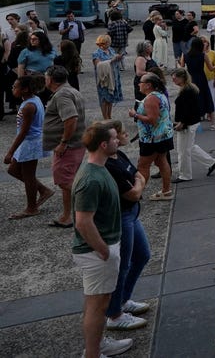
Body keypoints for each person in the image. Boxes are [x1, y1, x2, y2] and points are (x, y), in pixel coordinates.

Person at [72, 122, 132, 358]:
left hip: (101, 248)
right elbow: (83, 222)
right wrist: (104, 250)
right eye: (115, 139)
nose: (119, 141)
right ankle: (93, 353)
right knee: (98, 306)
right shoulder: (91, 179)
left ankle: (97, 345)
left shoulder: (99, 168)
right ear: (104, 145)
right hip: (97, 252)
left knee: (98, 302)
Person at [101, 120, 152, 332]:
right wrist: (138, 184)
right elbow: (134, 191)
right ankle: (114, 314)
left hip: (132, 214)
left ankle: (122, 299)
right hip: (122, 217)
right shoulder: (109, 165)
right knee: (122, 266)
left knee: (142, 255)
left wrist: (137, 182)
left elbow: (139, 175)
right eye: (118, 135)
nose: (123, 136)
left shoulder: (118, 156)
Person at [45, 65, 88, 227]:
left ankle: (87, 208)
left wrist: (63, 142)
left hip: (69, 146)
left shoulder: (62, 95)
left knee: (64, 181)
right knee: (69, 180)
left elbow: (71, 118)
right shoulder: (71, 90)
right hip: (76, 143)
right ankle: (67, 215)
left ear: (50, 79)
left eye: (45, 77)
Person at [5, 75, 53, 219]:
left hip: (30, 143)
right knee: (13, 170)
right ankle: (43, 190)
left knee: (29, 176)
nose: (12, 89)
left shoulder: (29, 106)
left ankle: (32, 208)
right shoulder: (31, 100)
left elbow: (24, 132)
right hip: (28, 142)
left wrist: (10, 152)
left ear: (25, 90)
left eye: (15, 87)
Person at [129, 72, 174, 200]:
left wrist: (135, 115)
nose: (139, 84)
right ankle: (166, 191)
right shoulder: (159, 95)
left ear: (148, 85)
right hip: (163, 135)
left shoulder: (151, 99)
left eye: (141, 82)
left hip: (152, 139)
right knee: (161, 161)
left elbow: (152, 119)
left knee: (143, 165)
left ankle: (136, 194)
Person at [170, 69, 215, 181]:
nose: (173, 80)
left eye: (174, 78)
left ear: (182, 78)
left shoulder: (186, 91)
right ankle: (211, 162)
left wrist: (182, 122)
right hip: (191, 122)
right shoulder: (190, 88)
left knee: (183, 151)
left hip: (187, 124)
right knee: (189, 148)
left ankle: (185, 175)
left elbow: (187, 109)